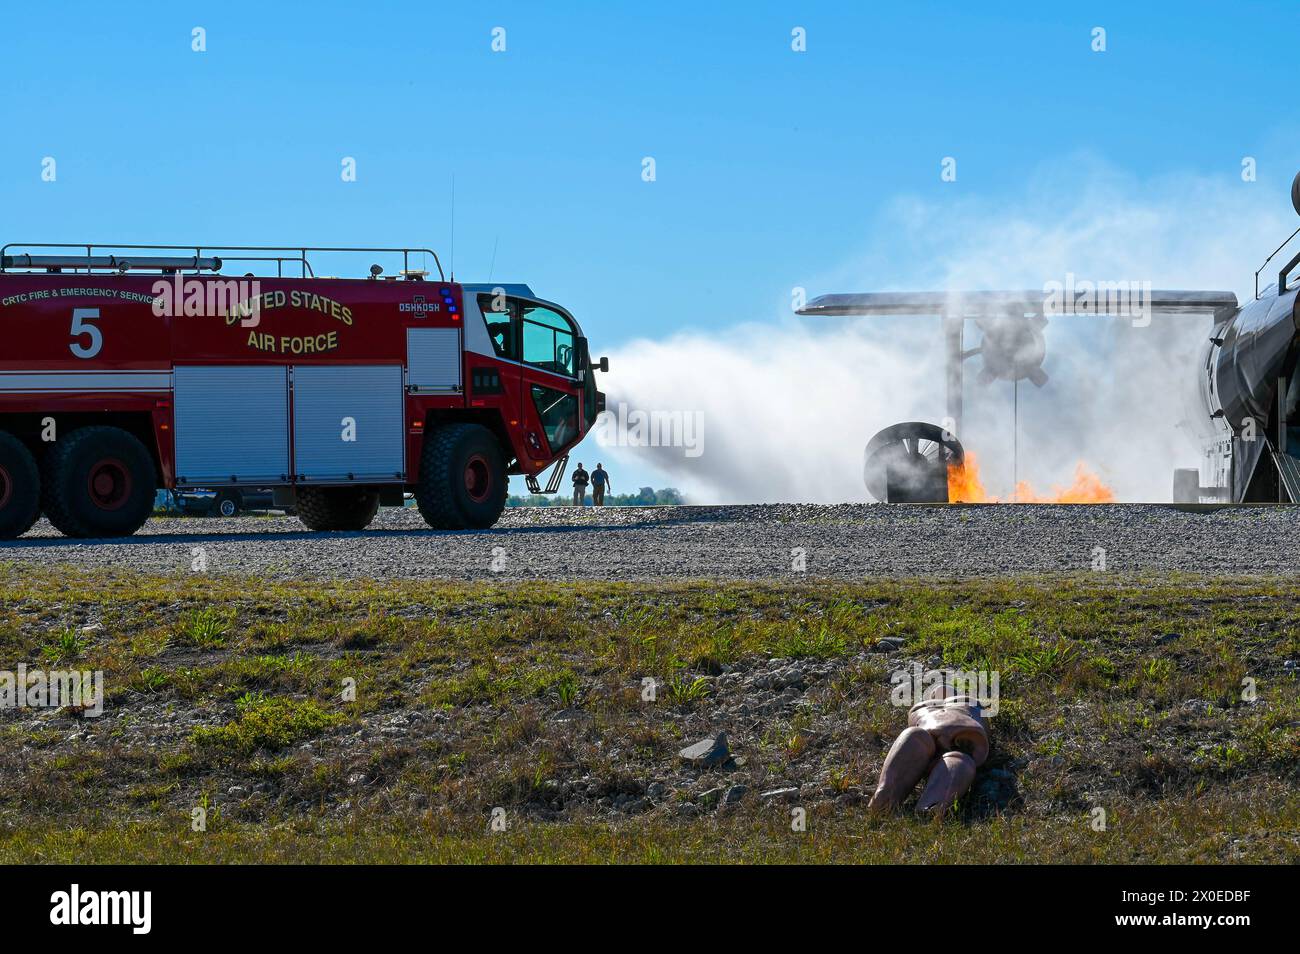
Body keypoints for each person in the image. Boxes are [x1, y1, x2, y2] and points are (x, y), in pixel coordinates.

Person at [868, 678, 990, 818]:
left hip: (930, 727)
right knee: (960, 758)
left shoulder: (923, 705)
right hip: (965, 728)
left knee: (916, 735)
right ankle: (932, 806)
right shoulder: (969, 701)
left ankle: (885, 794)